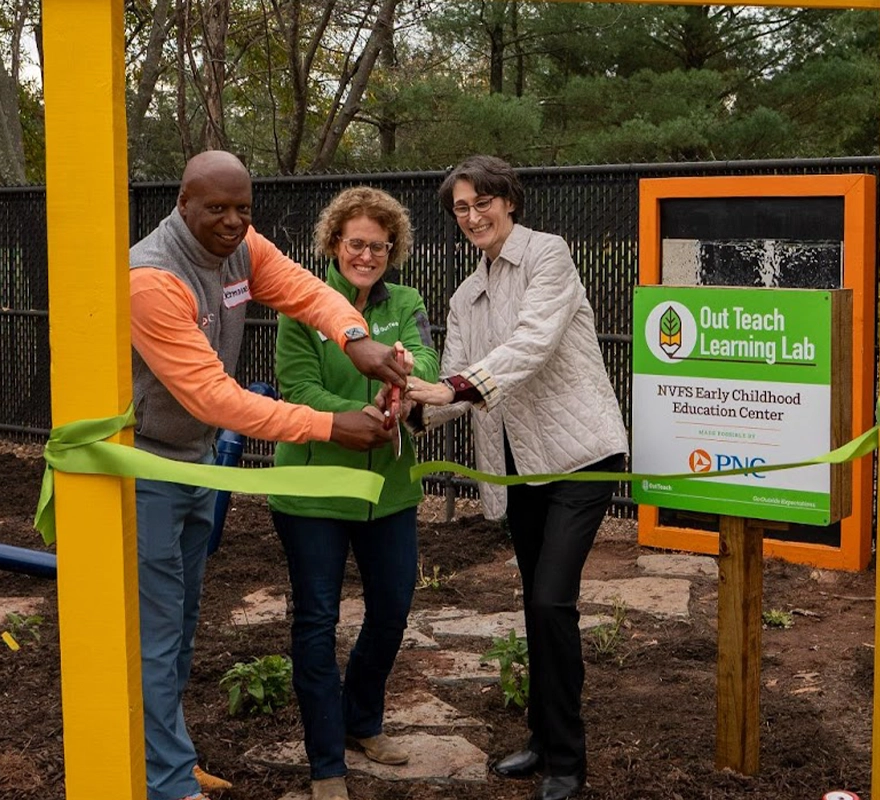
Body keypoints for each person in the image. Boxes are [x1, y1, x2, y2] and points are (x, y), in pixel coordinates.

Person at [129, 150, 405, 800]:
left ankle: (161, 756)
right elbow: (214, 398)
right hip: (144, 464)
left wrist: (353, 335)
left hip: (193, 460)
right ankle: (166, 783)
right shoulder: (152, 278)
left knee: (184, 617)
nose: (232, 223)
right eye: (217, 210)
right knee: (158, 623)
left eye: (242, 210)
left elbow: (305, 290)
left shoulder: (240, 249)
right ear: (183, 203)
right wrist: (328, 424)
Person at [405, 155, 628, 800]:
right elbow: (450, 389)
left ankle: (568, 761)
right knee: (537, 604)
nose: (473, 217)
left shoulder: (548, 256)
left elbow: (531, 344)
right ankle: (542, 738)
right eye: (461, 209)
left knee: (554, 599)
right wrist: (406, 406)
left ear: (509, 201)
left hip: (581, 454)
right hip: (521, 464)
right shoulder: (465, 295)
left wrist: (451, 384)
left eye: (483, 203)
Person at [267, 187, 439, 800]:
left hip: (388, 491)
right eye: (356, 243)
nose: (367, 254)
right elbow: (299, 389)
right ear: (334, 243)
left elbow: (424, 357)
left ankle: (361, 722)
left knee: (392, 608)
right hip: (312, 490)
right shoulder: (302, 306)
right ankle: (325, 764)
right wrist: (357, 414)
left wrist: (404, 382)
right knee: (316, 622)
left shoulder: (408, 300)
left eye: (379, 245)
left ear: (393, 251)